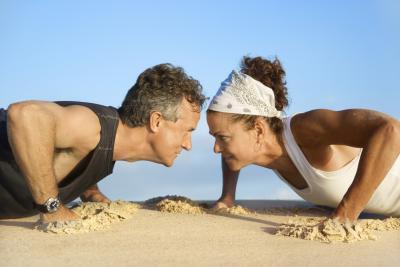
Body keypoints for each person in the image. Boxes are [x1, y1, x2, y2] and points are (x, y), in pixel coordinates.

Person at [0, 63, 206, 223]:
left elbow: (77, 152)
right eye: (187, 131)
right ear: (156, 121)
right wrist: (52, 207)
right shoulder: (93, 126)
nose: (188, 144)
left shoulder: (110, 142)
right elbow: (25, 115)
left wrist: (90, 192)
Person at [207, 56, 400, 223]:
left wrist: (347, 213)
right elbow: (230, 152)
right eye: (215, 136)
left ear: (258, 129)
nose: (216, 148)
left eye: (222, 137)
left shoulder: (305, 130)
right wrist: (227, 197)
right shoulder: (259, 149)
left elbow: (391, 130)